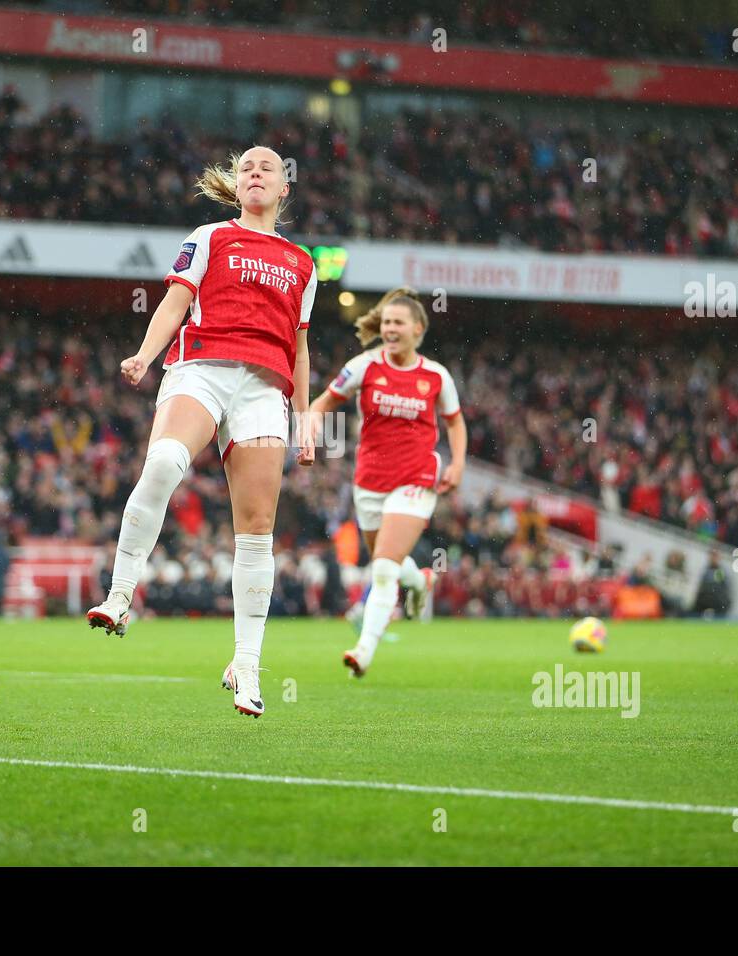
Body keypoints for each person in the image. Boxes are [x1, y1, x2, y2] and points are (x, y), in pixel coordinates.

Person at [85, 145, 317, 718]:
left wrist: (307, 417)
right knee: (163, 462)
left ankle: (247, 665)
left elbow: (302, 346)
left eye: (267, 168)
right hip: (202, 367)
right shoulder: (212, 236)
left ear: (284, 187)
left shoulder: (303, 263)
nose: (256, 174)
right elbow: (176, 300)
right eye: (247, 168)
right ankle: (119, 596)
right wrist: (144, 355)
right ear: (237, 186)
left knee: (256, 532)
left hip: (267, 388)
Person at [305, 287, 466, 677]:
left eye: (398, 323)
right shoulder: (363, 367)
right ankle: (419, 581)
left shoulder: (435, 376)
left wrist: (457, 463)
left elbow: (455, 421)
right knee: (391, 564)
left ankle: (363, 650)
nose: (391, 329)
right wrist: (308, 434)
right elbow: (320, 403)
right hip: (371, 482)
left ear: (417, 329)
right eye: (387, 322)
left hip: (416, 479)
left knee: (381, 568)